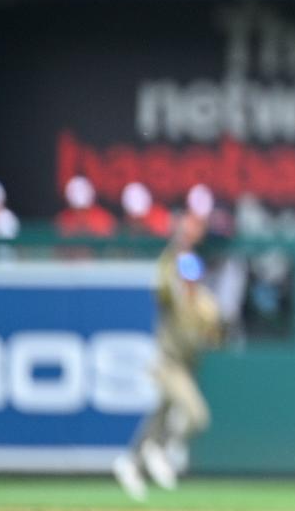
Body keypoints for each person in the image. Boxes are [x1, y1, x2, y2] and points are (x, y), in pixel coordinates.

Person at [114, 211, 222, 501]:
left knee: (159, 416)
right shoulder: (172, 298)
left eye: (192, 277)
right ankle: (162, 451)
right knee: (196, 415)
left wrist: (212, 331)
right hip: (166, 364)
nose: (189, 282)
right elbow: (163, 280)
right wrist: (177, 244)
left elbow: (215, 335)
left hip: (186, 367)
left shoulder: (205, 303)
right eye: (185, 277)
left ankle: (132, 463)